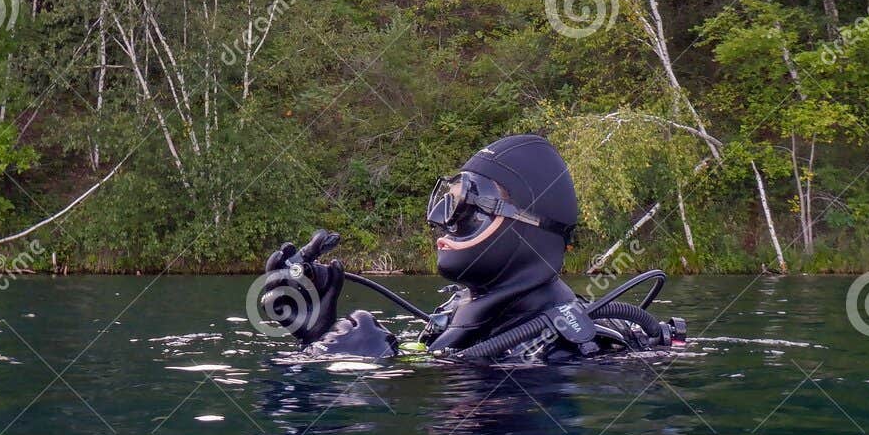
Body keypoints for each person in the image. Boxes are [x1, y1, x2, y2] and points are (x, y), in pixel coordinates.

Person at [257, 134, 680, 361]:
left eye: (466, 209)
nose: (444, 226)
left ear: (529, 225)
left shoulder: (558, 353)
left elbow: (487, 420)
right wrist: (314, 337)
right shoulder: (460, 316)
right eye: (446, 205)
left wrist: (364, 369)